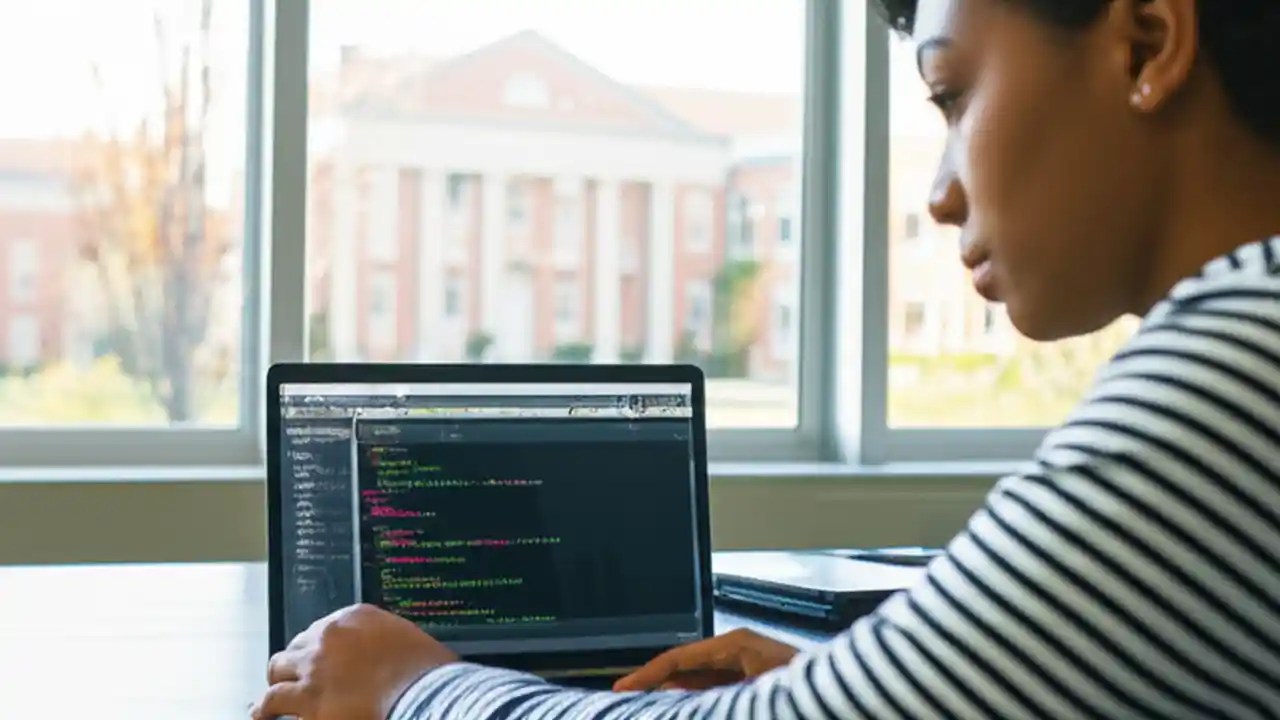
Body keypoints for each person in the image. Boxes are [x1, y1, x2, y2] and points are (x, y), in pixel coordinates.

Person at [253, 0, 1280, 717]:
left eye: (950, 95)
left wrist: (409, 689)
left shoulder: (1237, 366)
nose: (937, 195)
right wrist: (869, 686)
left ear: (1147, 39)